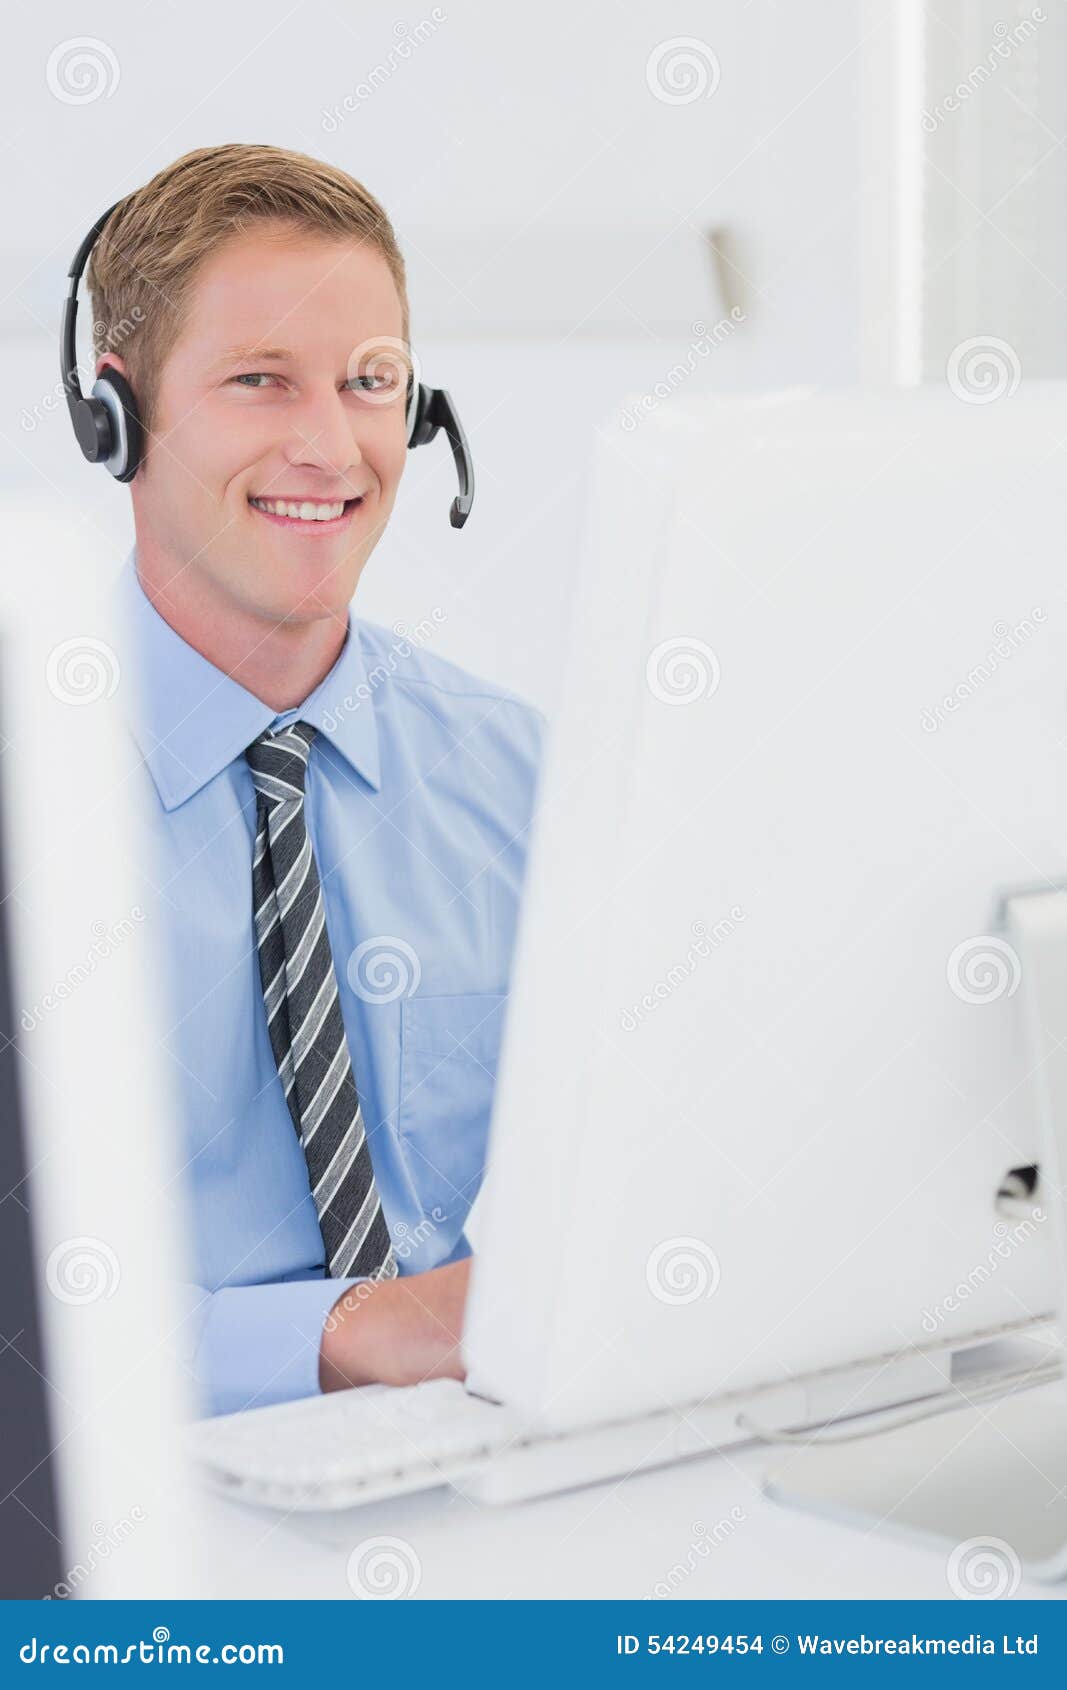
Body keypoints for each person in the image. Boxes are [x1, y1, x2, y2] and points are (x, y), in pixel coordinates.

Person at [90, 143, 544, 1418]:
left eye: (368, 382)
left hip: (467, 1459)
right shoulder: (43, 784)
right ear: (115, 418)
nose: (330, 443)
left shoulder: (519, 770)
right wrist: (335, 1333)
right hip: (108, 1502)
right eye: (258, 381)